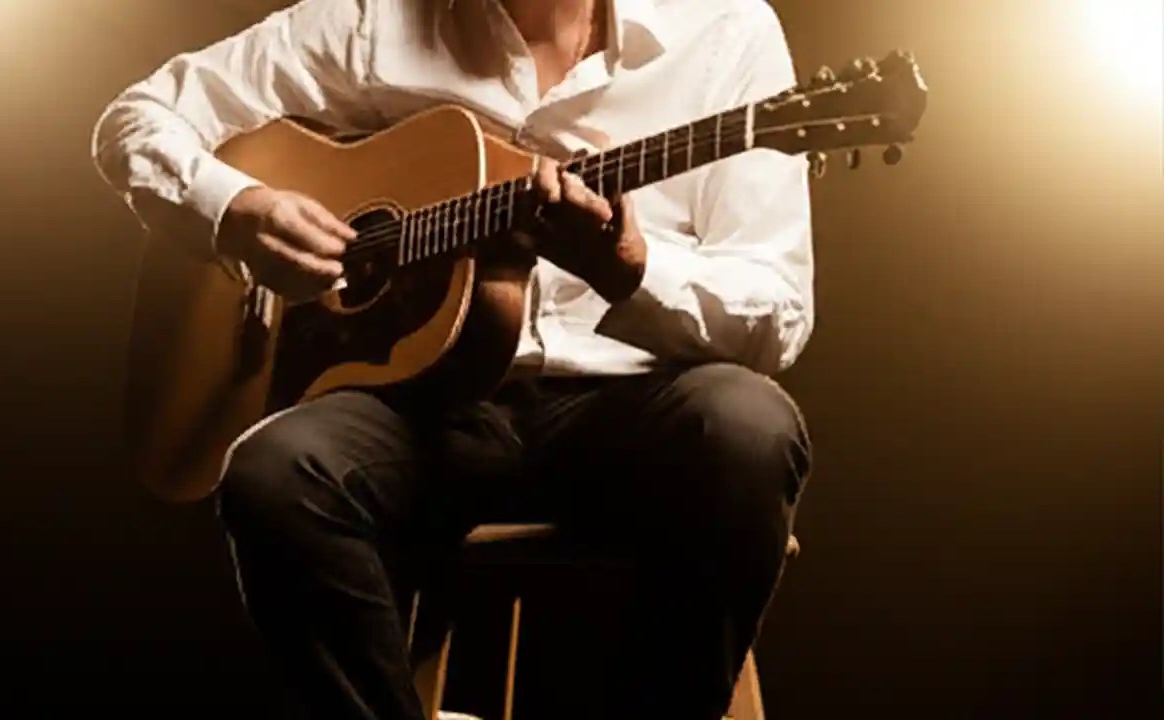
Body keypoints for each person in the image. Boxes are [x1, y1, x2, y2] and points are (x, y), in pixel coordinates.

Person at [92, 0, 813, 717]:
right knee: (274, 472)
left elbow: (779, 311)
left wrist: (633, 272)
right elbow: (137, 119)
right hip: (427, 411)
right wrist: (238, 211)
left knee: (748, 428)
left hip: (634, 411)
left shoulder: (724, 31)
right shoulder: (374, 19)